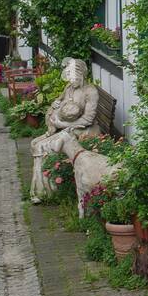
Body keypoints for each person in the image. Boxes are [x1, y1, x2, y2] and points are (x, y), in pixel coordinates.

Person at [29, 58, 100, 203]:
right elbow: (59, 101)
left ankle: (47, 193)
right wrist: (56, 105)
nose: (70, 79)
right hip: (66, 128)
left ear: (81, 74)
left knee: (41, 146)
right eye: (69, 75)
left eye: (73, 76)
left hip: (83, 130)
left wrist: (61, 125)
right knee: (34, 142)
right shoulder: (69, 88)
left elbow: (88, 120)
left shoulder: (90, 91)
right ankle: (42, 189)